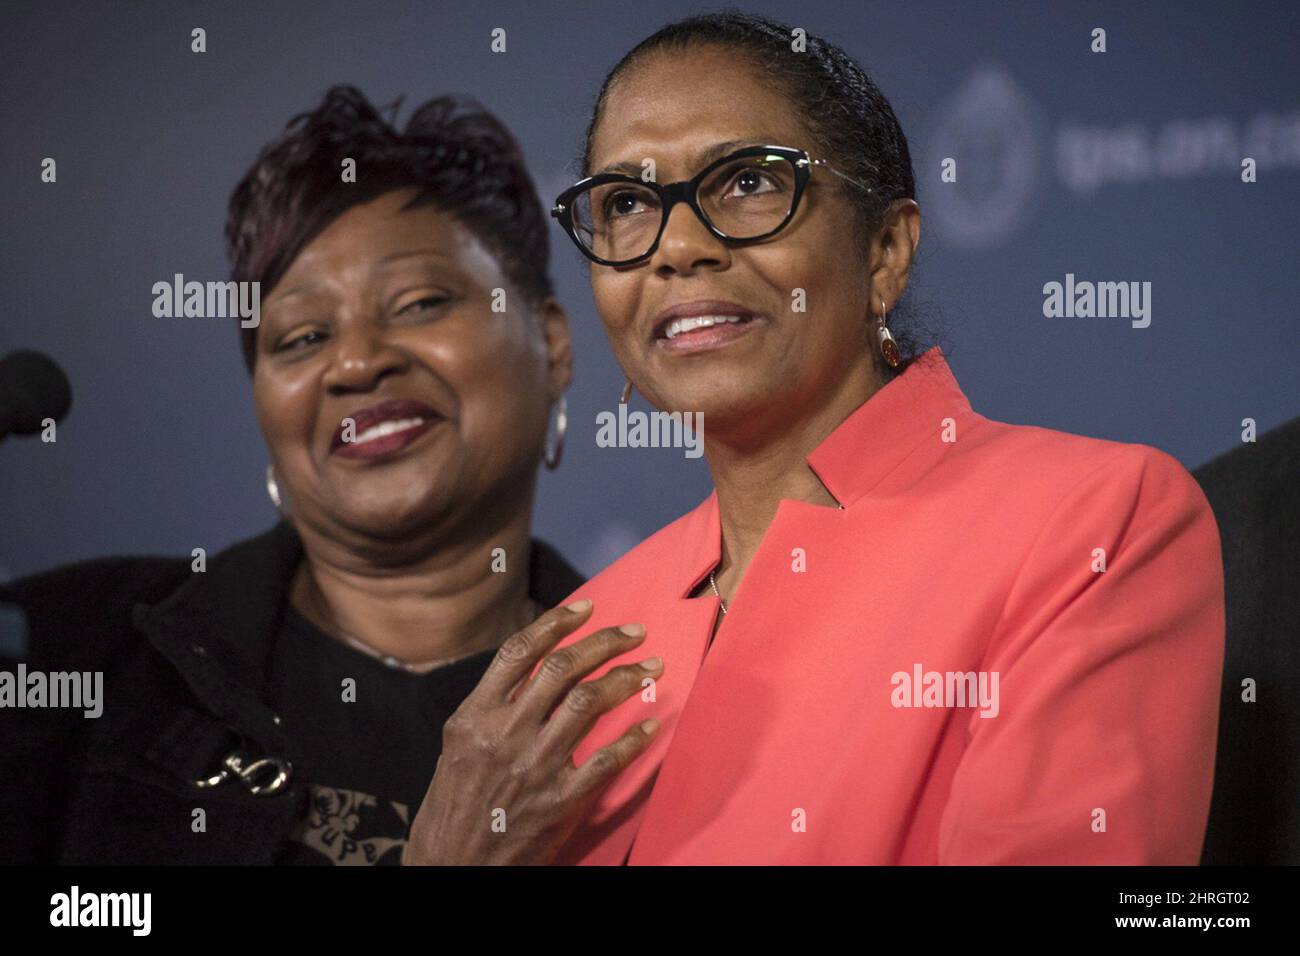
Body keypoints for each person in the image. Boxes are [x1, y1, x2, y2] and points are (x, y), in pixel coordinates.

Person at [539, 12, 1226, 864]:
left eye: (749, 182)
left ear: (886, 252)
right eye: (629, 203)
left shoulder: (1091, 525)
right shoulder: (584, 636)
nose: (676, 247)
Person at [0, 86, 659, 865]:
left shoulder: (653, 706)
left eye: (418, 303)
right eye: (302, 336)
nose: (354, 361)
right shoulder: (59, 654)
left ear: (551, 344)